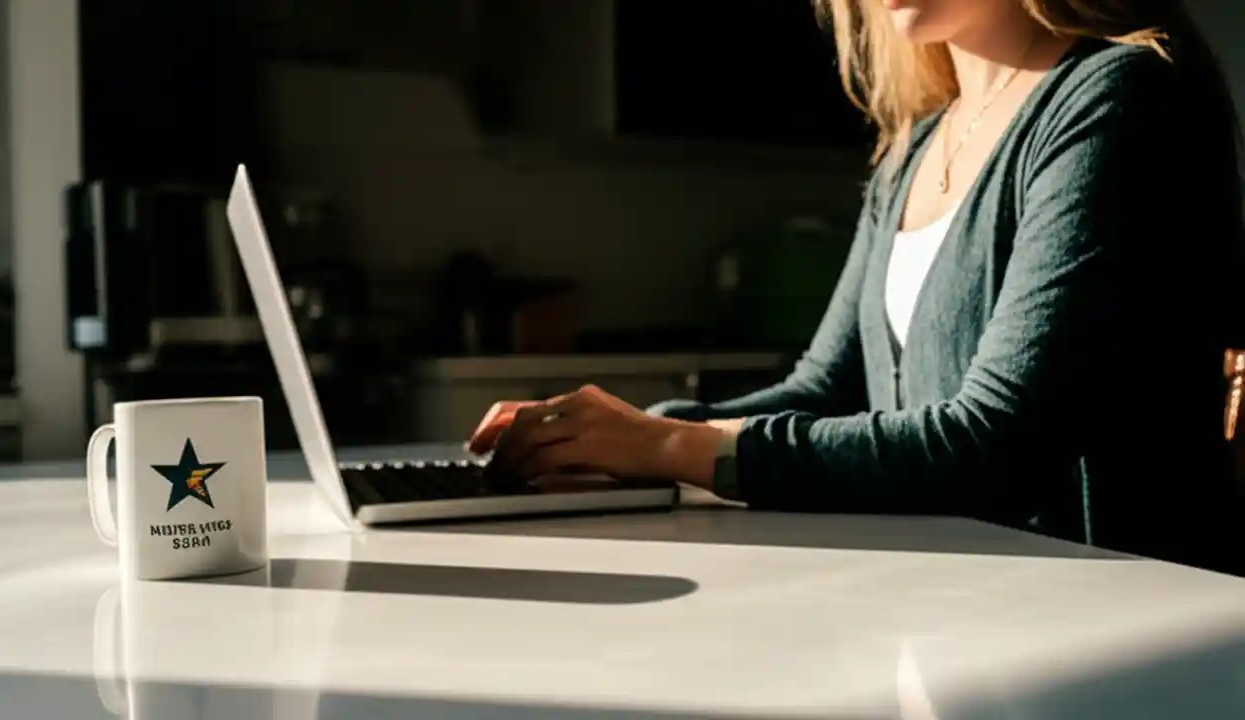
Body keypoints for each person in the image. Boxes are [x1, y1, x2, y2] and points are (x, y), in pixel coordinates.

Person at [468, 0, 1245, 574]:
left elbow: (994, 446)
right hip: (972, 604)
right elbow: (827, 391)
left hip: (1113, 618)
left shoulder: (1117, 95)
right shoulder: (917, 147)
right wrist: (620, 436)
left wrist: (669, 446)